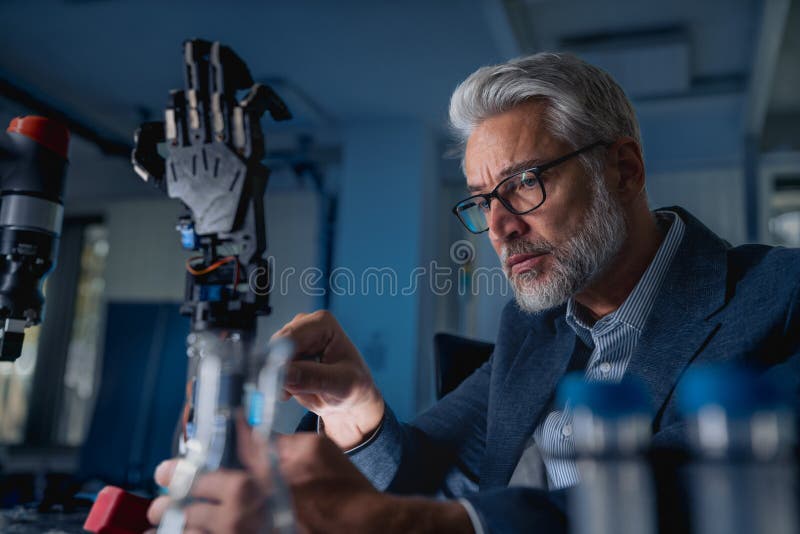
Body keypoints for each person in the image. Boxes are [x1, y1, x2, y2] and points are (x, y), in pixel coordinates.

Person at [147, 52, 800, 533]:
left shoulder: (781, 295)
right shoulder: (536, 328)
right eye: (483, 201)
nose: (499, 226)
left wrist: (395, 524)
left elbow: (689, 493)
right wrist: (357, 409)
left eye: (524, 183)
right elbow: (432, 472)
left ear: (623, 170)